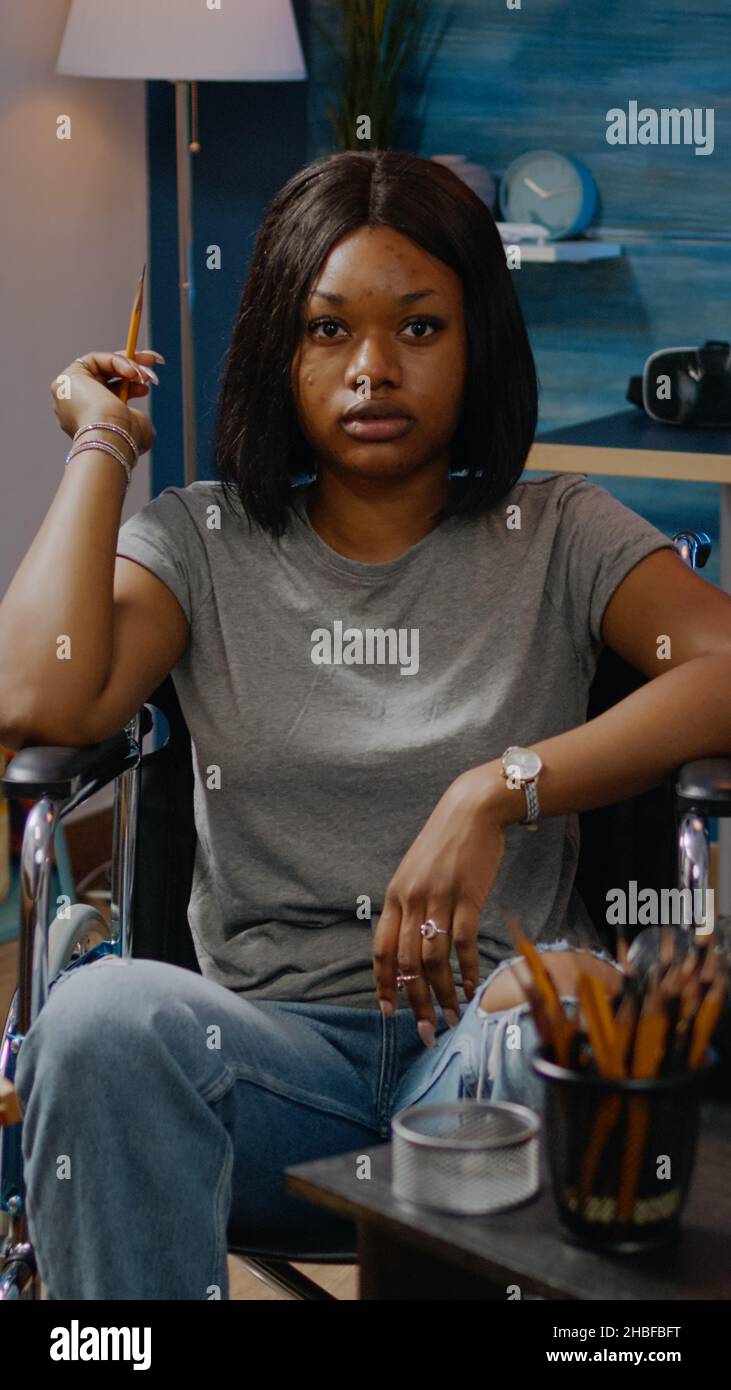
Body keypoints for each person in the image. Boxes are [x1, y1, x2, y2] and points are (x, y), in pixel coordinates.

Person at [3, 150, 731, 1300]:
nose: (372, 370)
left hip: (483, 1054)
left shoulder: (554, 532)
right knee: (96, 1015)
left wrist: (499, 784)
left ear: (477, 342)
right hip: (260, 1066)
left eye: (420, 329)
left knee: (545, 1024)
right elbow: (33, 697)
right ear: (277, 352)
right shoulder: (202, 541)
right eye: (327, 331)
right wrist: (100, 441)